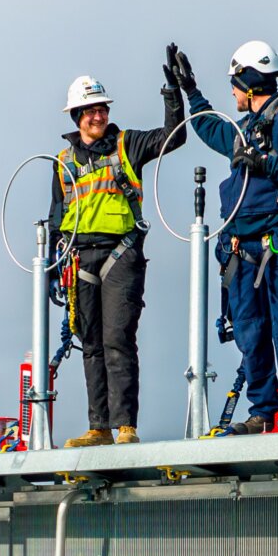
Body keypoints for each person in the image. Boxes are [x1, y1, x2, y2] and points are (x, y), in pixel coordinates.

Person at [172, 40, 278, 435]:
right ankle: (264, 411)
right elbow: (211, 127)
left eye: (235, 85)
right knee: (250, 332)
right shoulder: (243, 132)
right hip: (241, 249)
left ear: (249, 83)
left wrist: (263, 162)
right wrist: (192, 92)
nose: (233, 94)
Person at [47, 52, 190, 447]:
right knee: (90, 345)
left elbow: (174, 136)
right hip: (79, 259)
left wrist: (171, 94)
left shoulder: (128, 144)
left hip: (121, 254)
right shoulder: (61, 163)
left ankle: (125, 425)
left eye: (102, 108)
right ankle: (100, 428)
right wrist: (49, 271)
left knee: (117, 340)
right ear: (75, 115)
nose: (98, 116)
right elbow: (57, 217)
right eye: (90, 110)